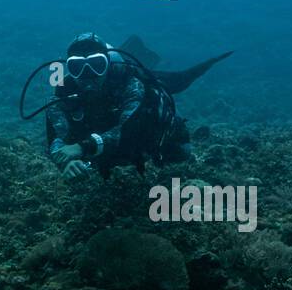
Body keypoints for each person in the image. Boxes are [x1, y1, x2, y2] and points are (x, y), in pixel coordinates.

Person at [35, 33, 231, 180]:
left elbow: (128, 130)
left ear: (108, 64)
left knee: (181, 156)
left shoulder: (130, 83)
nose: (88, 74)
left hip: (147, 141)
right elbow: (56, 138)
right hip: (103, 147)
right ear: (68, 68)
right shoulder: (62, 93)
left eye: (97, 64)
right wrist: (67, 161)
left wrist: (80, 147)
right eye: (77, 67)